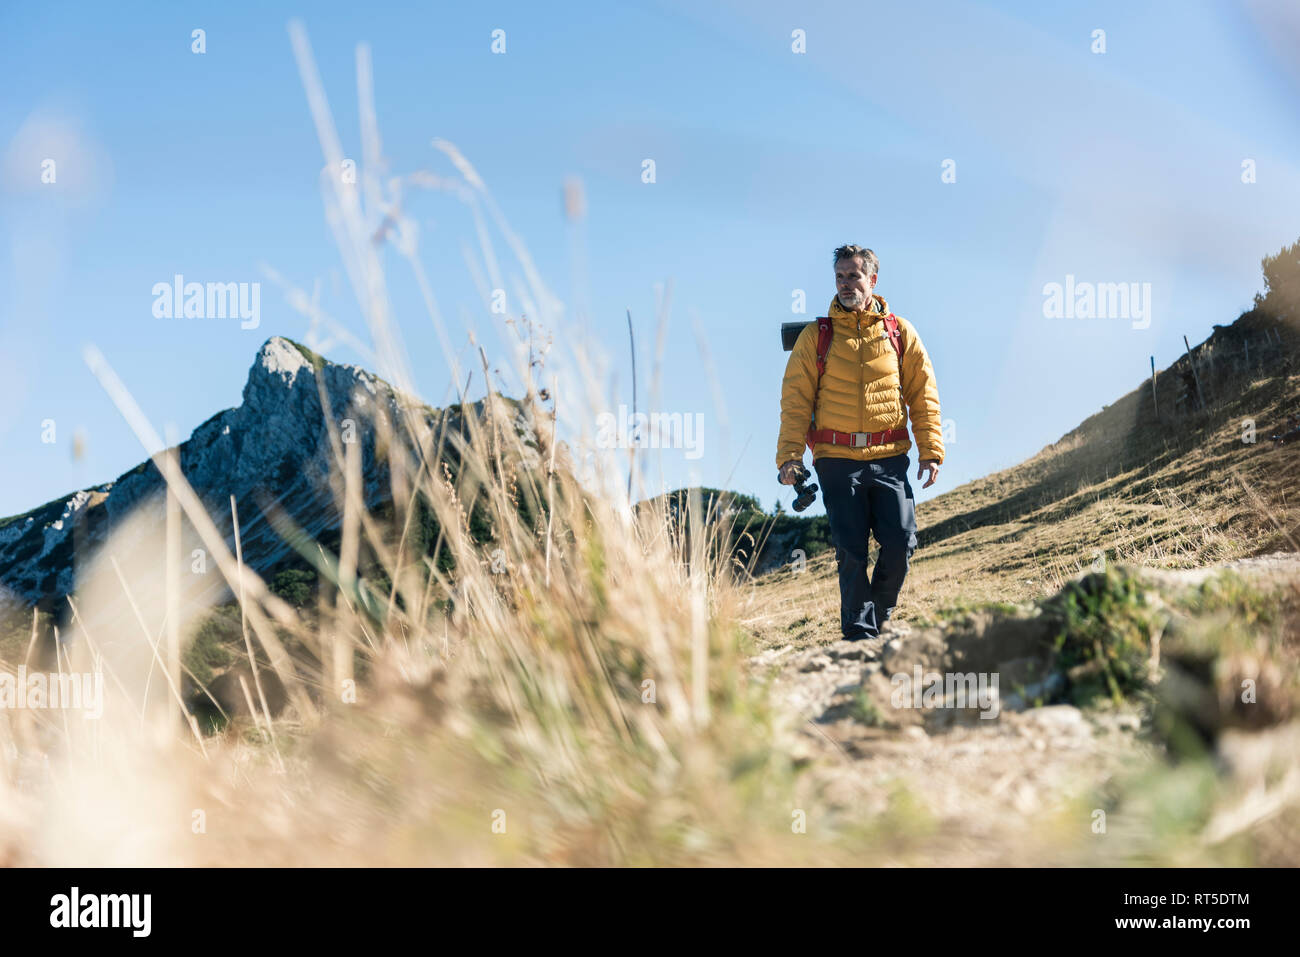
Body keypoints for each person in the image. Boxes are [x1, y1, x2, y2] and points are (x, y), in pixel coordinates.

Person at [776, 245, 944, 641]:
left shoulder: (900, 332)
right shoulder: (815, 338)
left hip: (890, 458)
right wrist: (789, 458)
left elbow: (923, 394)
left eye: (853, 276)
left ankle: (879, 618)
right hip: (835, 460)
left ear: (872, 280)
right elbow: (795, 401)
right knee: (850, 552)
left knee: (901, 542)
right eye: (839, 276)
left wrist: (931, 451)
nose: (846, 283)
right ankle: (859, 636)